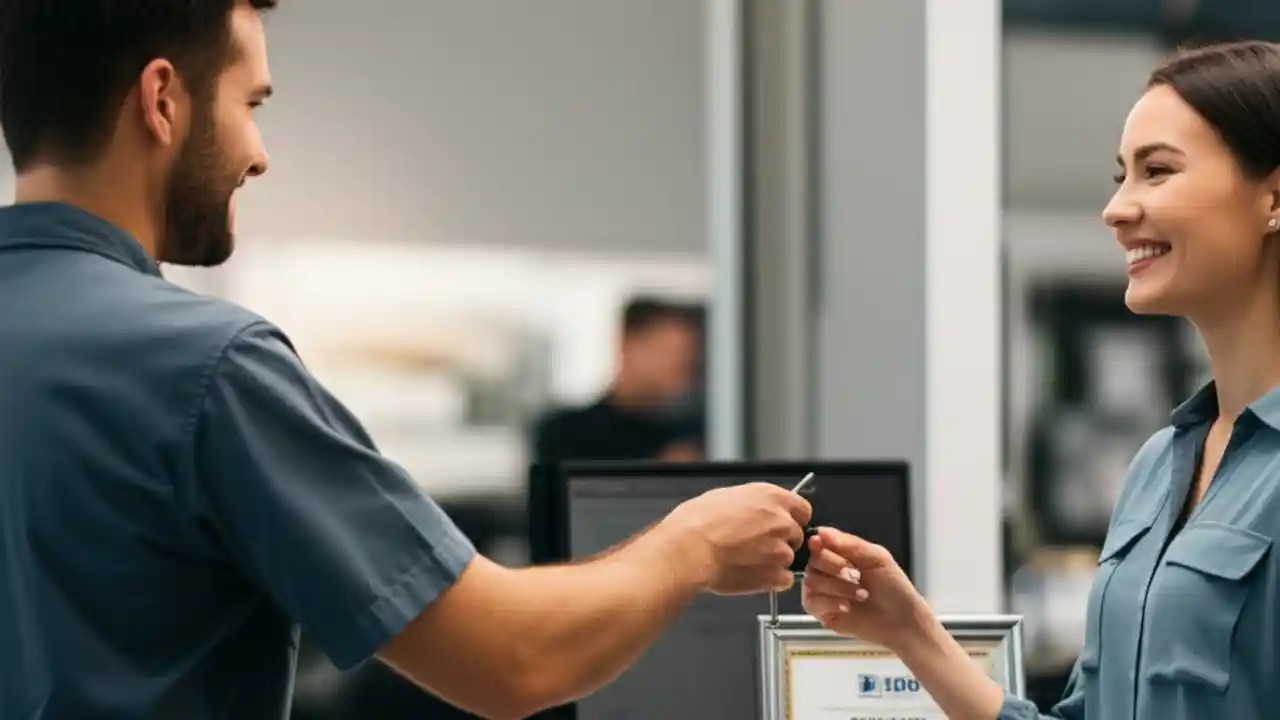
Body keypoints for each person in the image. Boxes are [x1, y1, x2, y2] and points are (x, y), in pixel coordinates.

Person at [0, 3, 813, 719]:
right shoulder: (205, 370)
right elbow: (511, 660)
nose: (259, 153)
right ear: (163, 100)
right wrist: (691, 546)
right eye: (251, 104)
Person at [801, 40, 1280, 719]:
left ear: (1274, 198)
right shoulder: (1159, 467)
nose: (1117, 209)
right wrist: (907, 630)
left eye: (1157, 172)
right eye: (1122, 176)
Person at [532, 296, 706, 464]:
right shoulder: (566, 433)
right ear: (626, 346)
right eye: (666, 352)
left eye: (688, 355)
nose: (680, 365)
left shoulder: (696, 434)